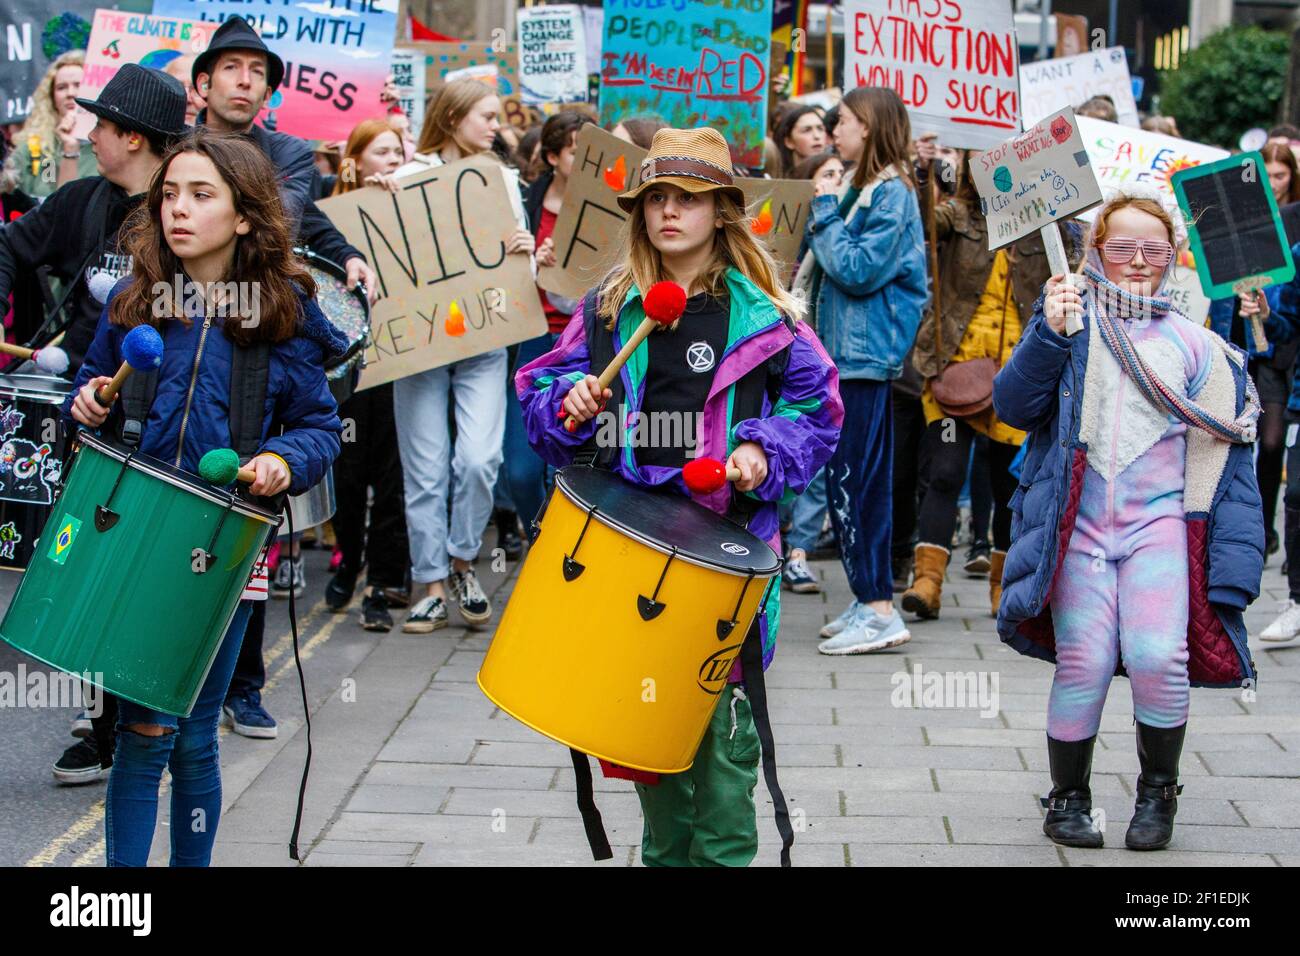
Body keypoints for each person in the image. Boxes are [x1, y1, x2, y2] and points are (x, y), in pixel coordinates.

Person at [516, 126, 842, 867]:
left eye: (687, 200)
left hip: (724, 561)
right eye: (656, 198)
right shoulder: (607, 309)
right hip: (632, 559)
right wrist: (569, 404)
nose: (669, 213)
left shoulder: (768, 318)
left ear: (721, 211)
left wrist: (762, 450)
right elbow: (538, 391)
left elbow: (817, 412)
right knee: (652, 763)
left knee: (724, 776)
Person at [65, 128, 344, 865]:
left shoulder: (281, 316)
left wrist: (283, 459)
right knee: (143, 730)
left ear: (245, 215)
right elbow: (90, 387)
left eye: (200, 195)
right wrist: (87, 403)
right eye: (168, 195)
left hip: (224, 549)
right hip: (136, 535)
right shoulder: (136, 302)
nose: (176, 210)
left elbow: (319, 426)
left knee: (192, 733)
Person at [995, 189, 1262, 852]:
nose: (1137, 261)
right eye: (1122, 248)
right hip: (1079, 529)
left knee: (1156, 656)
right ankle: (1068, 798)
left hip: (1158, 529)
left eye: (1153, 249)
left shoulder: (1198, 346)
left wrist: (1235, 564)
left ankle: (1157, 795)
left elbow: (1227, 466)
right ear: (1097, 253)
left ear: (1172, 256)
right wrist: (1047, 334)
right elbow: (1013, 406)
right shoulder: (1066, 318)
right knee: (1082, 661)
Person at [382, 79, 535, 633]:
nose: (497, 126)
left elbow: (520, 269)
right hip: (421, 342)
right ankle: (430, 584)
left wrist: (525, 253)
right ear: (452, 118)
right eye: (487, 116)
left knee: (478, 459)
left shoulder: (501, 178)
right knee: (424, 469)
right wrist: (375, 200)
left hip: (484, 339)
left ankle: (463, 560)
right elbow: (381, 248)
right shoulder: (403, 177)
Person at [793, 86, 928, 655]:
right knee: (850, 478)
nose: (832, 130)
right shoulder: (864, 188)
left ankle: (877, 608)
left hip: (863, 359)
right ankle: (867, 596)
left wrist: (823, 209)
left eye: (843, 121)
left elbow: (856, 269)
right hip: (847, 356)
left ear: (869, 126)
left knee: (859, 482)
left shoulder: (891, 193)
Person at [903, 151, 1066, 620]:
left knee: (1005, 481)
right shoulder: (959, 213)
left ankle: (1003, 586)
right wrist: (922, 173)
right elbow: (922, 223)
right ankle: (927, 581)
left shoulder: (1047, 230)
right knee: (947, 470)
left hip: (1019, 377)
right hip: (955, 371)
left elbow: (1073, 271)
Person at [321, 118, 411, 632]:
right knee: (349, 473)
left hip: (401, 363)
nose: (393, 160)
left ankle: (384, 580)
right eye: (382, 152)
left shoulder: (412, 200)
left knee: (394, 476)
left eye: (399, 151)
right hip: (347, 368)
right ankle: (349, 560)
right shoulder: (329, 213)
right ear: (356, 158)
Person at [779, 148, 845, 594]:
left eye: (841, 174)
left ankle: (798, 553)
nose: (835, 182)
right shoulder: (796, 227)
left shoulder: (843, 224)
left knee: (819, 459)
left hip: (829, 354)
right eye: (827, 175)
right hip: (784, 351)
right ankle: (776, 541)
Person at [1, 51, 98, 201]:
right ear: (52, 98)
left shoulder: (108, 145)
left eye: (78, 85)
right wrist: (69, 147)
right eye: (61, 87)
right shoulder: (35, 147)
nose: (70, 93)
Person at [773, 105, 827, 180]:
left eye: (820, 128)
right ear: (789, 142)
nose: (817, 136)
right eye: (807, 130)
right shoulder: (779, 182)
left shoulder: (838, 176)